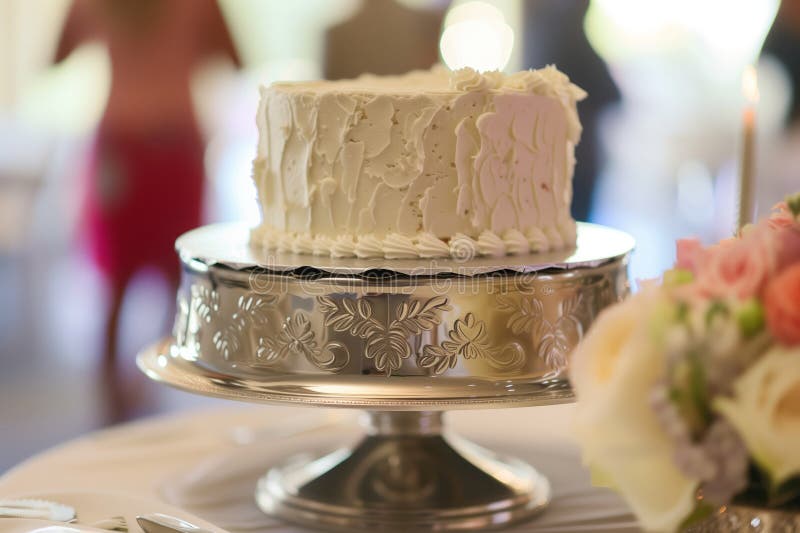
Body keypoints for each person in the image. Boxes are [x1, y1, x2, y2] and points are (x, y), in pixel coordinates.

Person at [54, 0, 240, 421]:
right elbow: (234, 57)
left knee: (126, 287)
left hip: (130, 152)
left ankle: (123, 399)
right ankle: (134, 394)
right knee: (170, 283)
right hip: (165, 149)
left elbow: (55, 56)